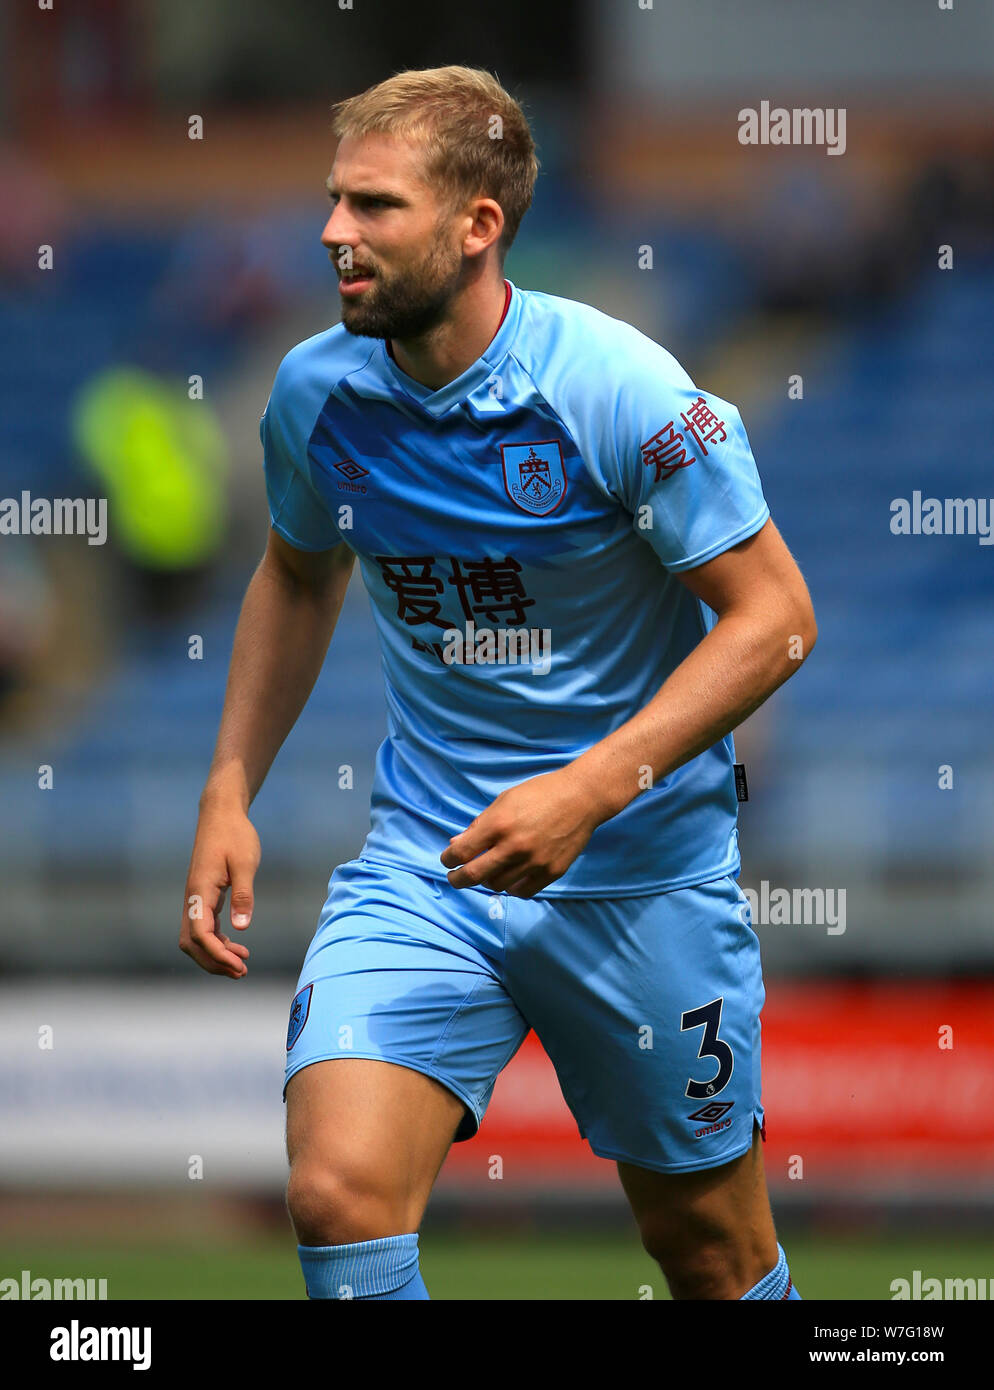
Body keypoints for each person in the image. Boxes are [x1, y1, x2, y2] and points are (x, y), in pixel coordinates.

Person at [180, 65, 817, 1302]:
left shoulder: (617, 389)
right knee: (336, 1192)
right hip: (429, 864)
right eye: (334, 200)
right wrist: (226, 789)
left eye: (375, 205)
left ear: (477, 224)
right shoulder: (314, 394)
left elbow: (777, 618)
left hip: (640, 880)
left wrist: (587, 791)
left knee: (710, 1254)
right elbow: (297, 577)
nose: (334, 232)